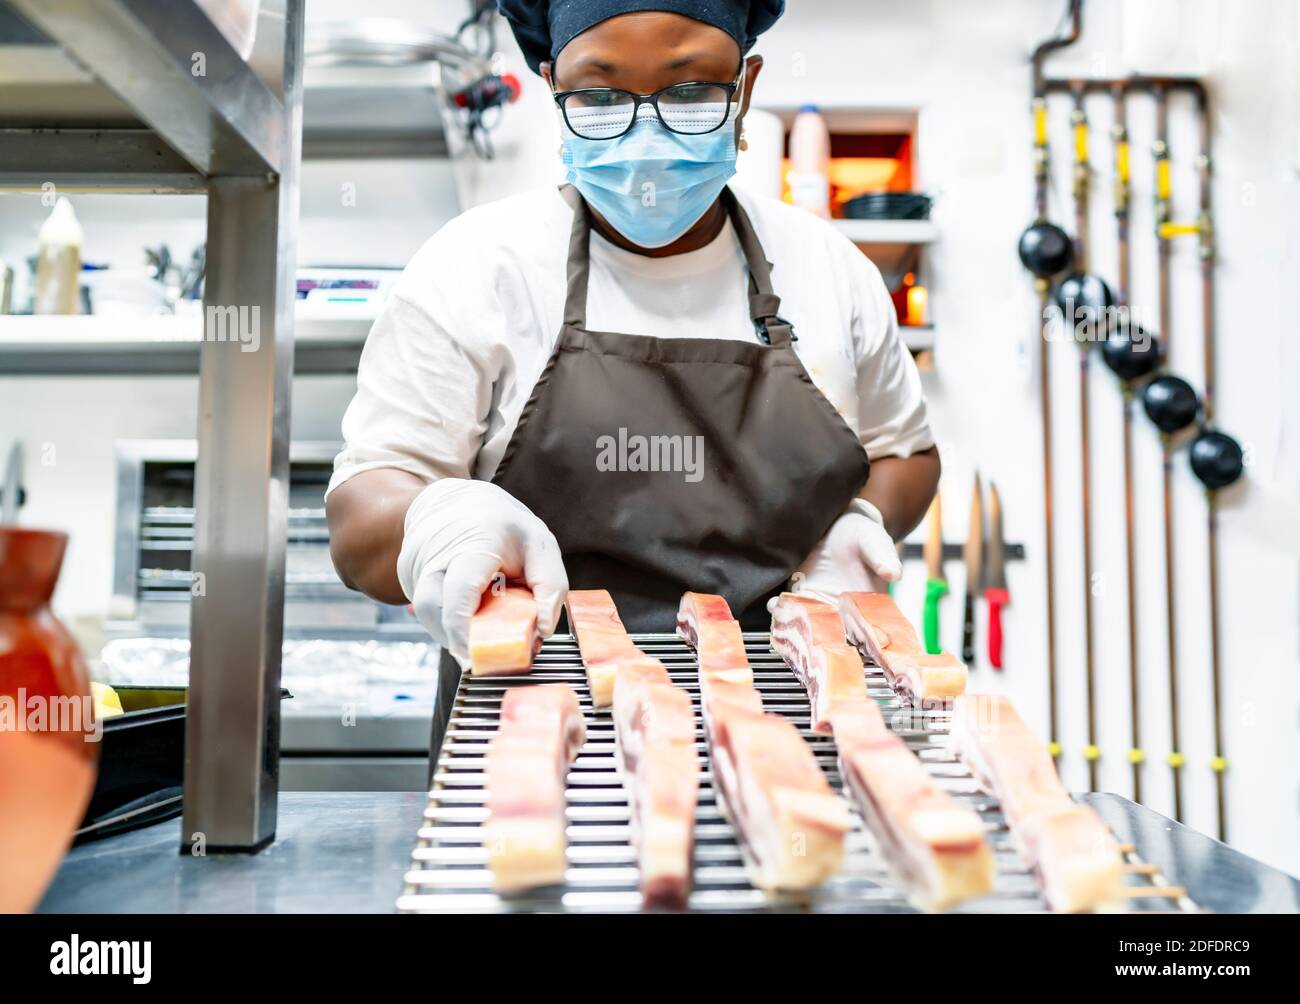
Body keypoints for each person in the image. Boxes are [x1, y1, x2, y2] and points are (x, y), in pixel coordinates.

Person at [326, 1, 940, 742]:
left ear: (744, 85)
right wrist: (439, 523)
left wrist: (858, 526)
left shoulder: (827, 268)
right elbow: (361, 532)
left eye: (689, 92)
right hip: (532, 739)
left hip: (794, 724)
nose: (644, 130)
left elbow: (906, 455)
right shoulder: (479, 267)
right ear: (553, 85)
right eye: (599, 95)